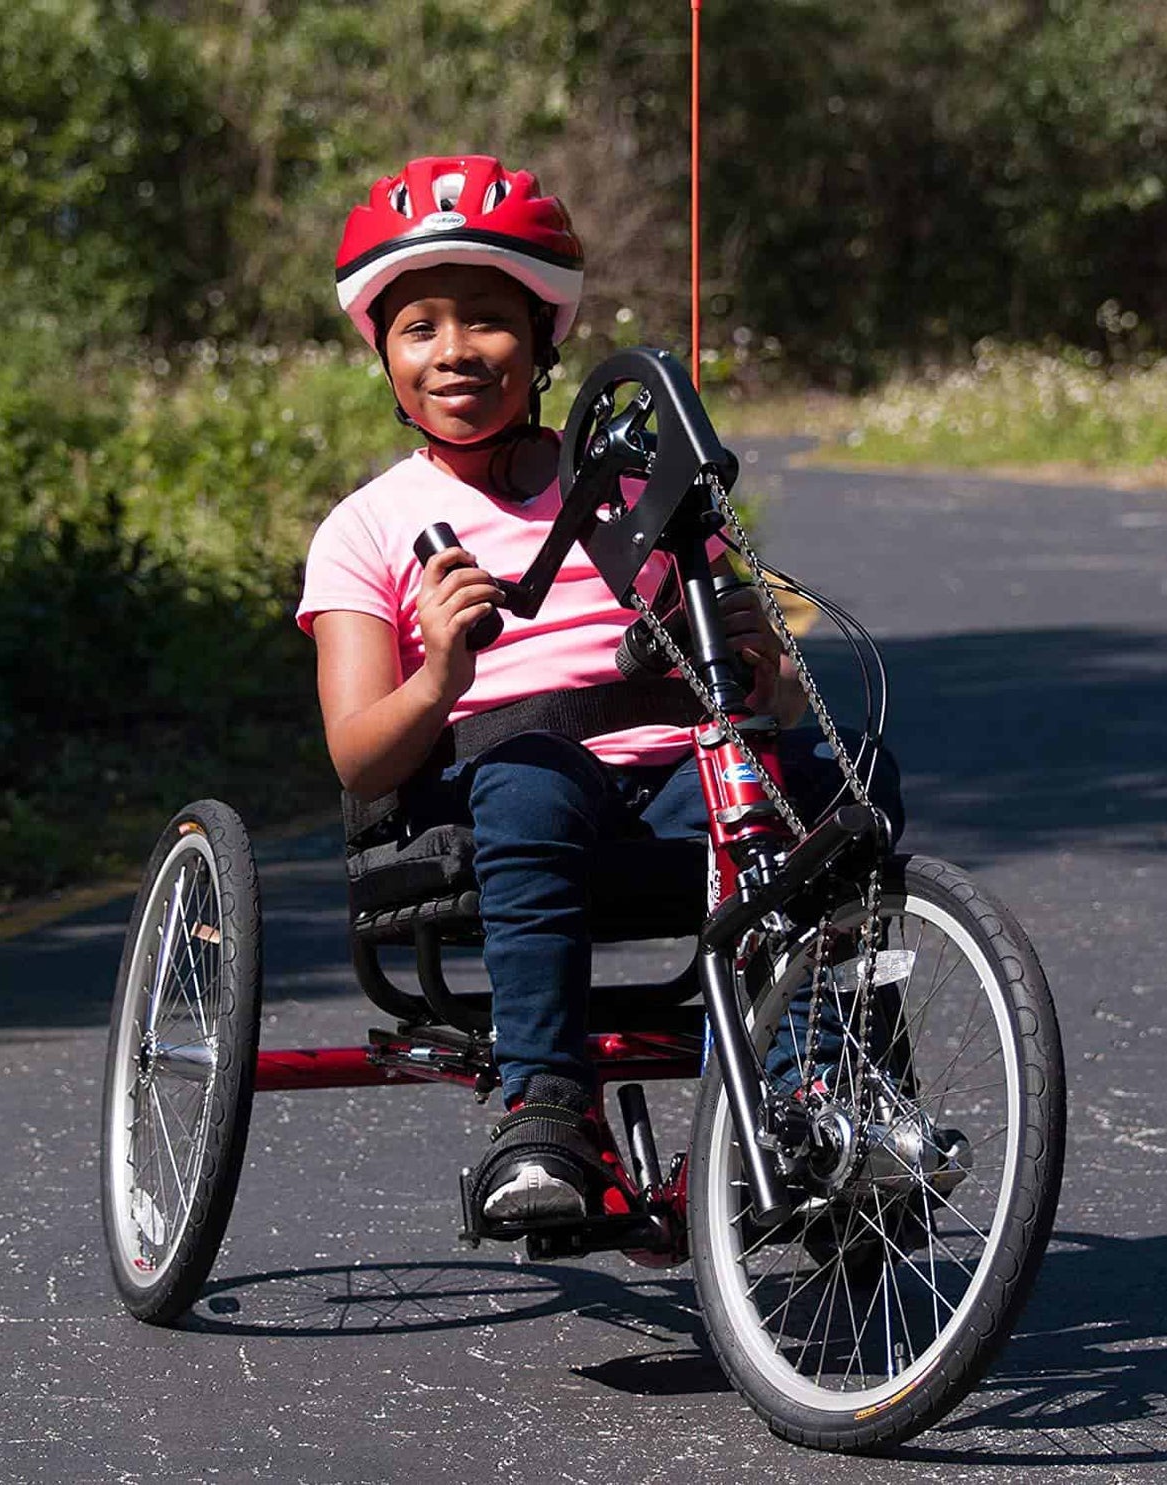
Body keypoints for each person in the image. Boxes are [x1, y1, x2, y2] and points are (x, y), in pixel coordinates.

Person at [297, 155, 902, 1225]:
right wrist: (441, 674)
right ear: (383, 353)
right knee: (528, 774)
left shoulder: (638, 494)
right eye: (420, 327)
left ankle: (817, 1089)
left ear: (542, 341)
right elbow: (358, 756)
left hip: (675, 788)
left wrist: (761, 677)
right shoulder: (367, 528)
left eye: (487, 321)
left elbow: (771, 706)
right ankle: (545, 1110)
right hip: (504, 798)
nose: (454, 350)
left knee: (843, 774)